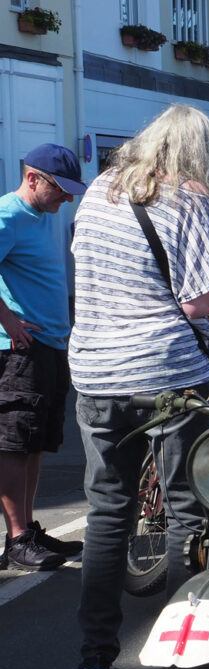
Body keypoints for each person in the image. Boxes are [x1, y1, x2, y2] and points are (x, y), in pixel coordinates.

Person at [70, 104, 209, 669]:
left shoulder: (98, 190)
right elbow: (198, 301)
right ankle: (180, 659)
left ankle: (94, 657)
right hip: (166, 370)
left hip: (96, 369)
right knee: (185, 510)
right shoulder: (190, 197)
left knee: (108, 512)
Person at [0, 144, 86, 571]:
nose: (66, 198)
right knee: (14, 442)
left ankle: (28, 531)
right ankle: (17, 537)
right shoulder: (8, 213)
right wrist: (9, 321)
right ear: (32, 178)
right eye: (60, 188)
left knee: (35, 440)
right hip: (20, 350)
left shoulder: (42, 214)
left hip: (49, 344)